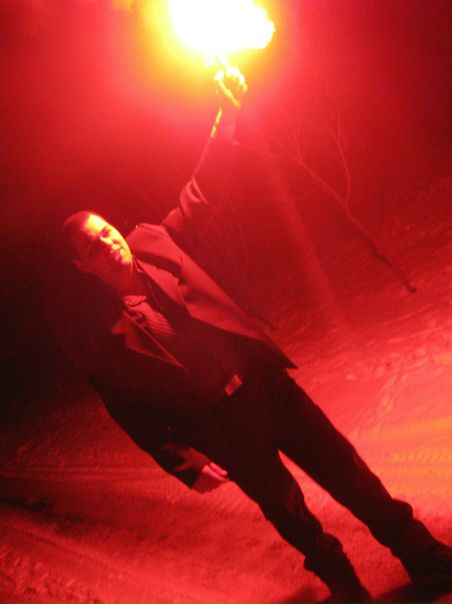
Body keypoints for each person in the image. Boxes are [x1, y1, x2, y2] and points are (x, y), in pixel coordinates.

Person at [62, 67, 451, 603]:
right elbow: (134, 416)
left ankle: (422, 553)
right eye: (92, 246)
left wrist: (227, 114)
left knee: (348, 471)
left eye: (106, 231)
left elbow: (201, 190)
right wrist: (185, 463)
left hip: (265, 385)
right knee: (289, 512)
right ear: (82, 266)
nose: (107, 243)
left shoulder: (154, 240)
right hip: (224, 427)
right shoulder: (107, 347)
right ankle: (344, 583)